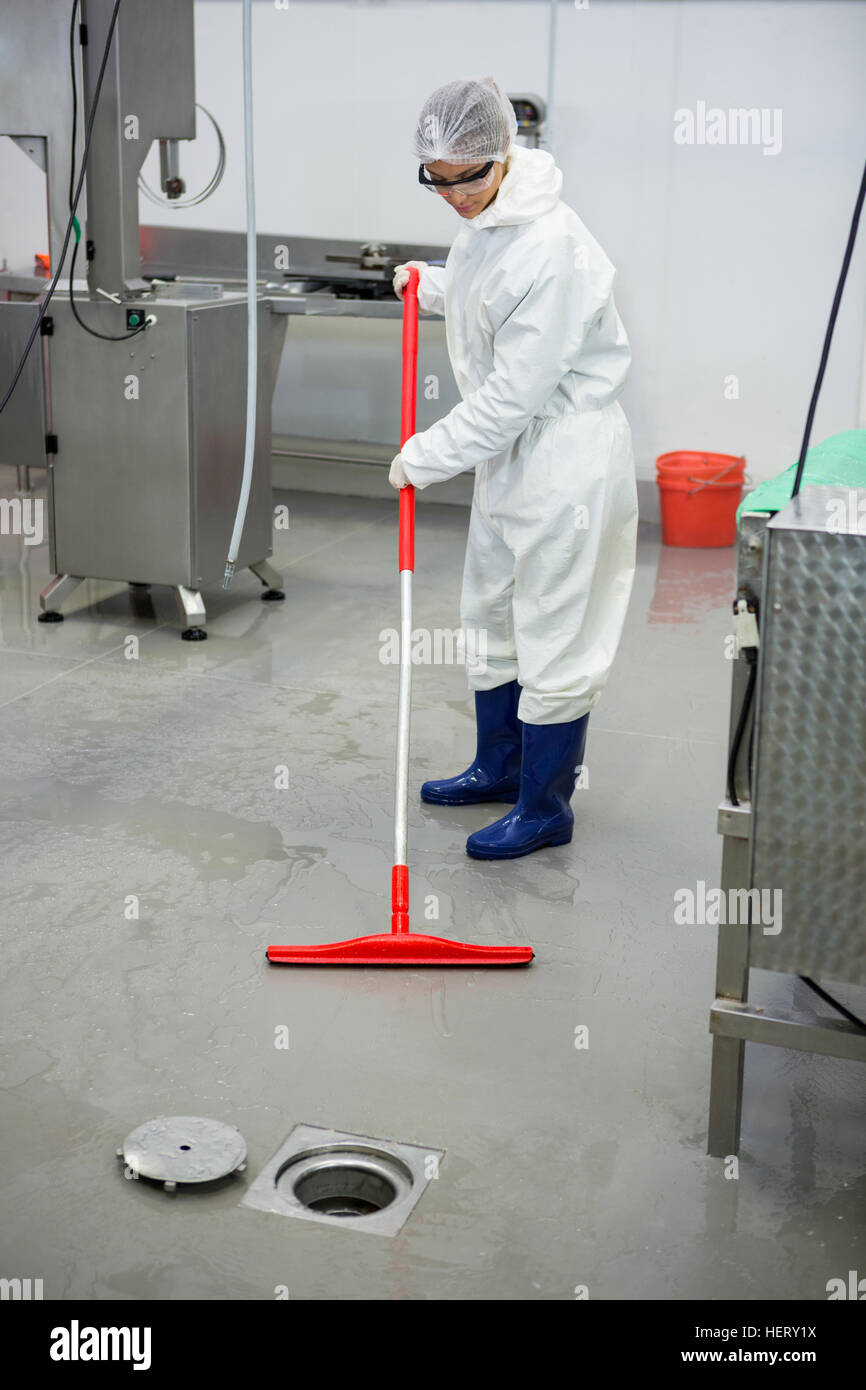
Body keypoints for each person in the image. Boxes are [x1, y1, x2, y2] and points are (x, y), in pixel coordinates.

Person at [390, 77, 637, 860]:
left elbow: (513, 395)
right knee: (491, 609)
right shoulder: (489, 222)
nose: (456, 196)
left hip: (563, 455)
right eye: (440, 180)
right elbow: (482, 291)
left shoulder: (554, 243)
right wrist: (430, 284)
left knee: (555, 625)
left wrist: (421, 458)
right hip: (509, 459)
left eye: (471, 177)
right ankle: (498, 767)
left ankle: (545, 805)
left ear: (504, 155)